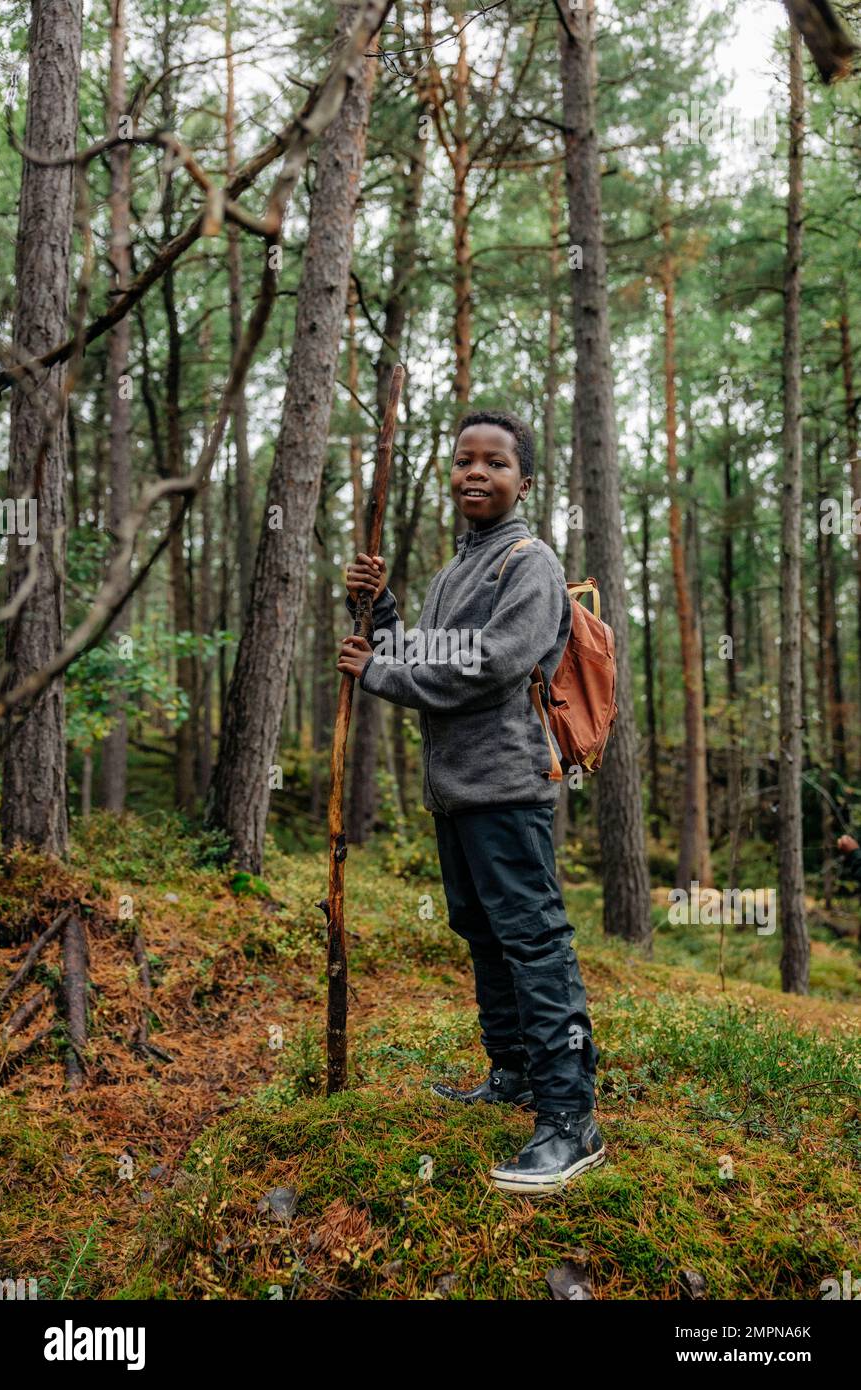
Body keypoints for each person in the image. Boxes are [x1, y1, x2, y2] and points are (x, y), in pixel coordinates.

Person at [337, 408, 605, 1196]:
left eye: (494, 463)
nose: (475, 474)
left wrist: (377, 671)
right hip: (455, 792)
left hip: (509, 789)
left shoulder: (529, 563)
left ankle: (570, 1119)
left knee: (533, 941)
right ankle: (514, 1073)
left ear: (524, 480)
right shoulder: (458, 568)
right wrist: (381, 612)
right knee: (483, 933)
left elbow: (485, 665)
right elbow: (426, 653)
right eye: (463, 461)